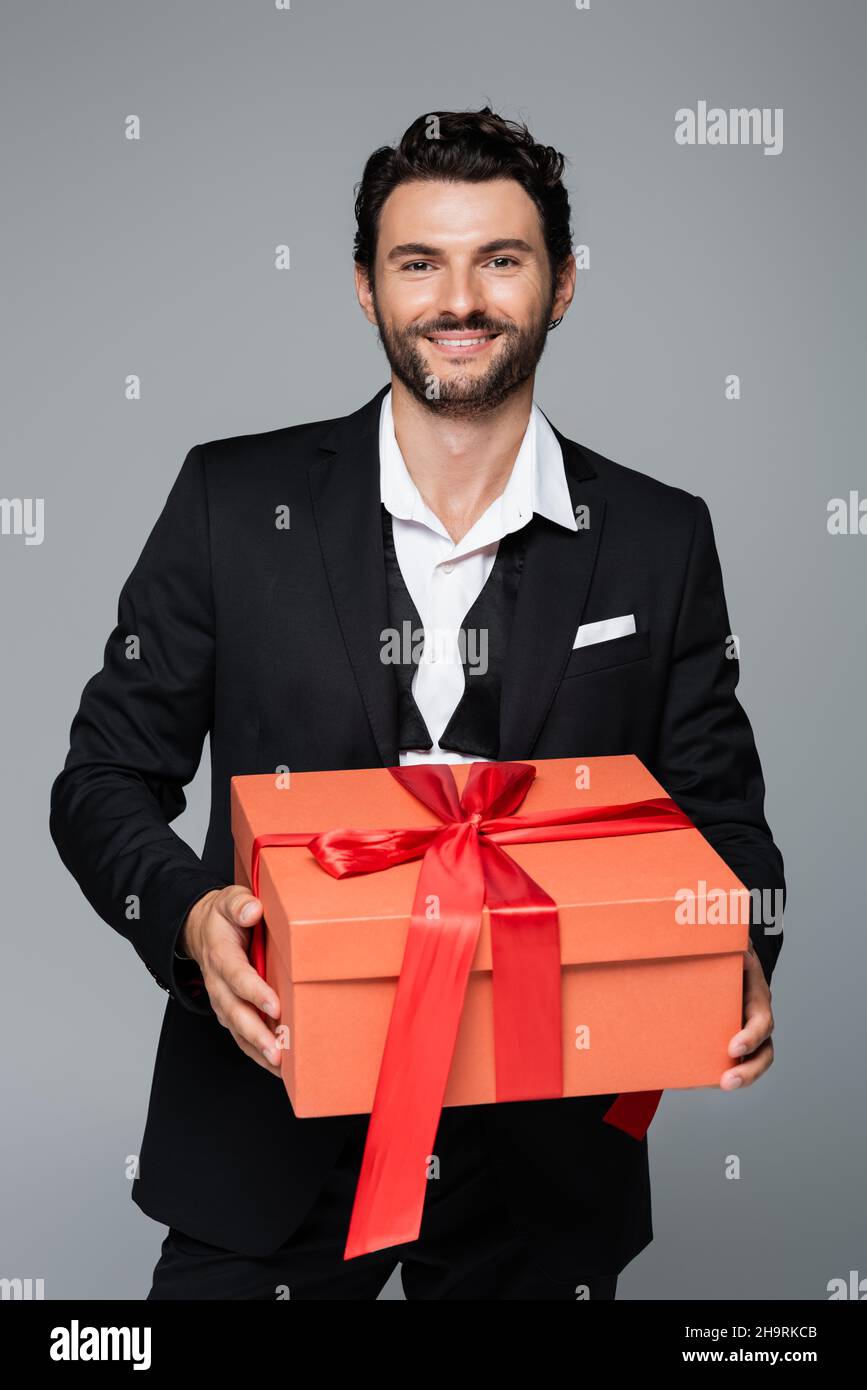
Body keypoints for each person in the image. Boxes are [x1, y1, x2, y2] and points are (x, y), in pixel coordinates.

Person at [49, 106, 784, 1301]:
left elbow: (719, 816)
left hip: (543, 1156)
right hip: (267, 1117)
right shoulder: (233, 505)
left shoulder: (658, 538)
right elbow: (101, 780)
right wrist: (187, 919)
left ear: (562, 286)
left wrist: (740, 945)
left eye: (501, 258)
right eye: (418, 262)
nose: (460, 298)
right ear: (363, 287)